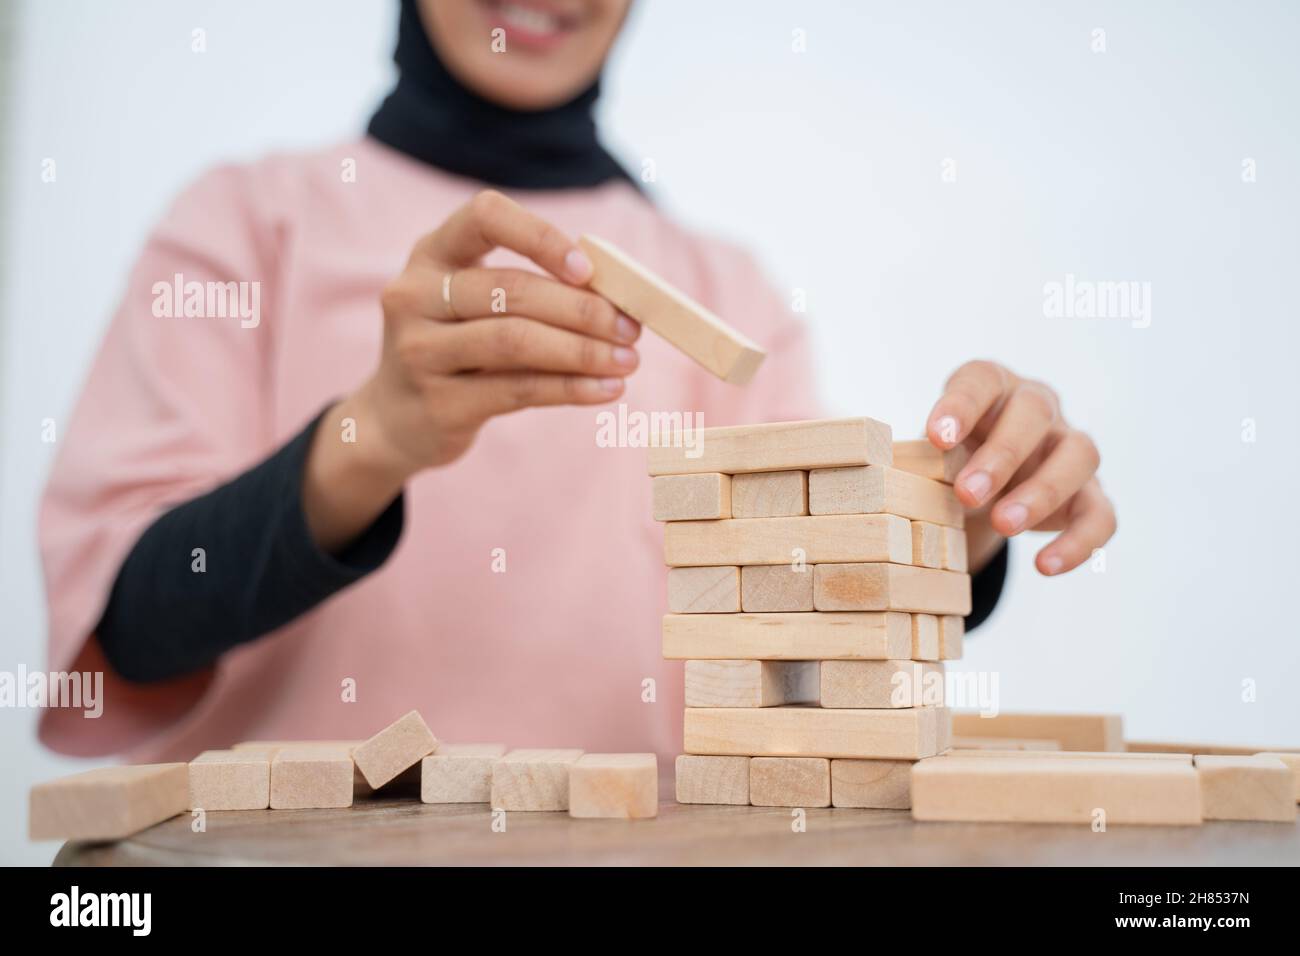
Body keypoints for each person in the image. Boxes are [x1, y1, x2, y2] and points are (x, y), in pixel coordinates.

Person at [38, 0, 1115, 762]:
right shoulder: (241, 224)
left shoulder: (729, 290)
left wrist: (955, 522)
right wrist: (374, 435)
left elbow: (800, 658)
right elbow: (129, 625)